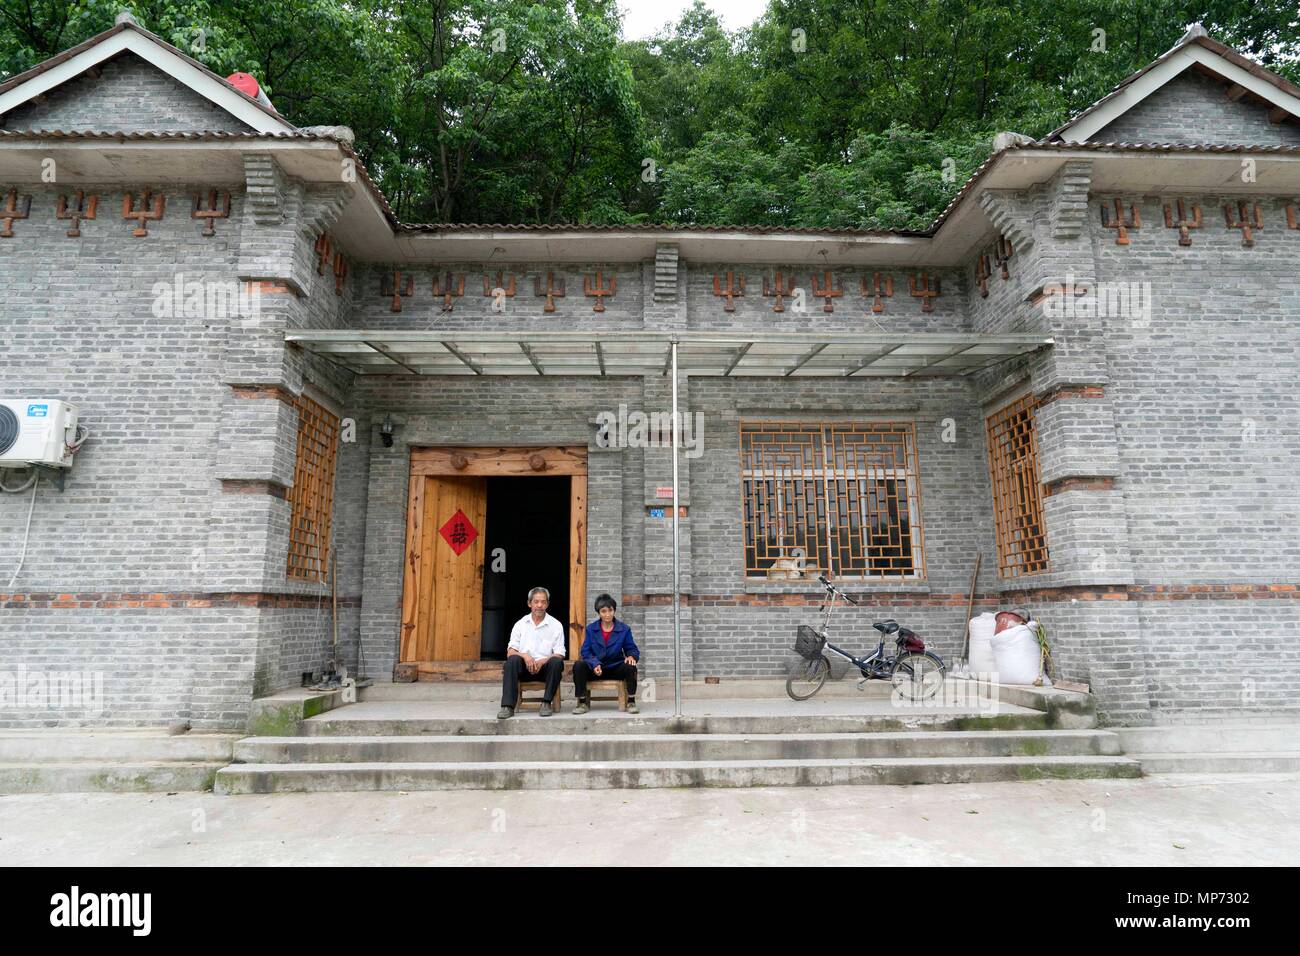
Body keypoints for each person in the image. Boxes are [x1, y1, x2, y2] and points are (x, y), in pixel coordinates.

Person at [498, 586, 565, 719]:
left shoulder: (556, 625)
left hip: (545, 670)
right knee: (512, 661)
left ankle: (546, 702)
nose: (539, 605)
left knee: (557, 662)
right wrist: (525, 656)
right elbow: (510, 651)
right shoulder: (520, 624)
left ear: (547, 604)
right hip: (524, 669)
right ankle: (507, 706)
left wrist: (543, 660)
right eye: (536, 602)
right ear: (529, 603)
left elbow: (560, 653)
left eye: (543, 602)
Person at [573, 593, 640, 714]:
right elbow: (585, 651)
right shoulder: (591, 629)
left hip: (615, 667)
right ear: (599, 612)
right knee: (578, 665)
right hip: (596, 669)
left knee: (631, 666)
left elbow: (632, 648)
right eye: (604, 611)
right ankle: (582, 703)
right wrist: (594, 664)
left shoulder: (624, 629)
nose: (607, 614)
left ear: (614, 610)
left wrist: (631, 656)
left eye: (610, 610)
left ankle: (631, 701)